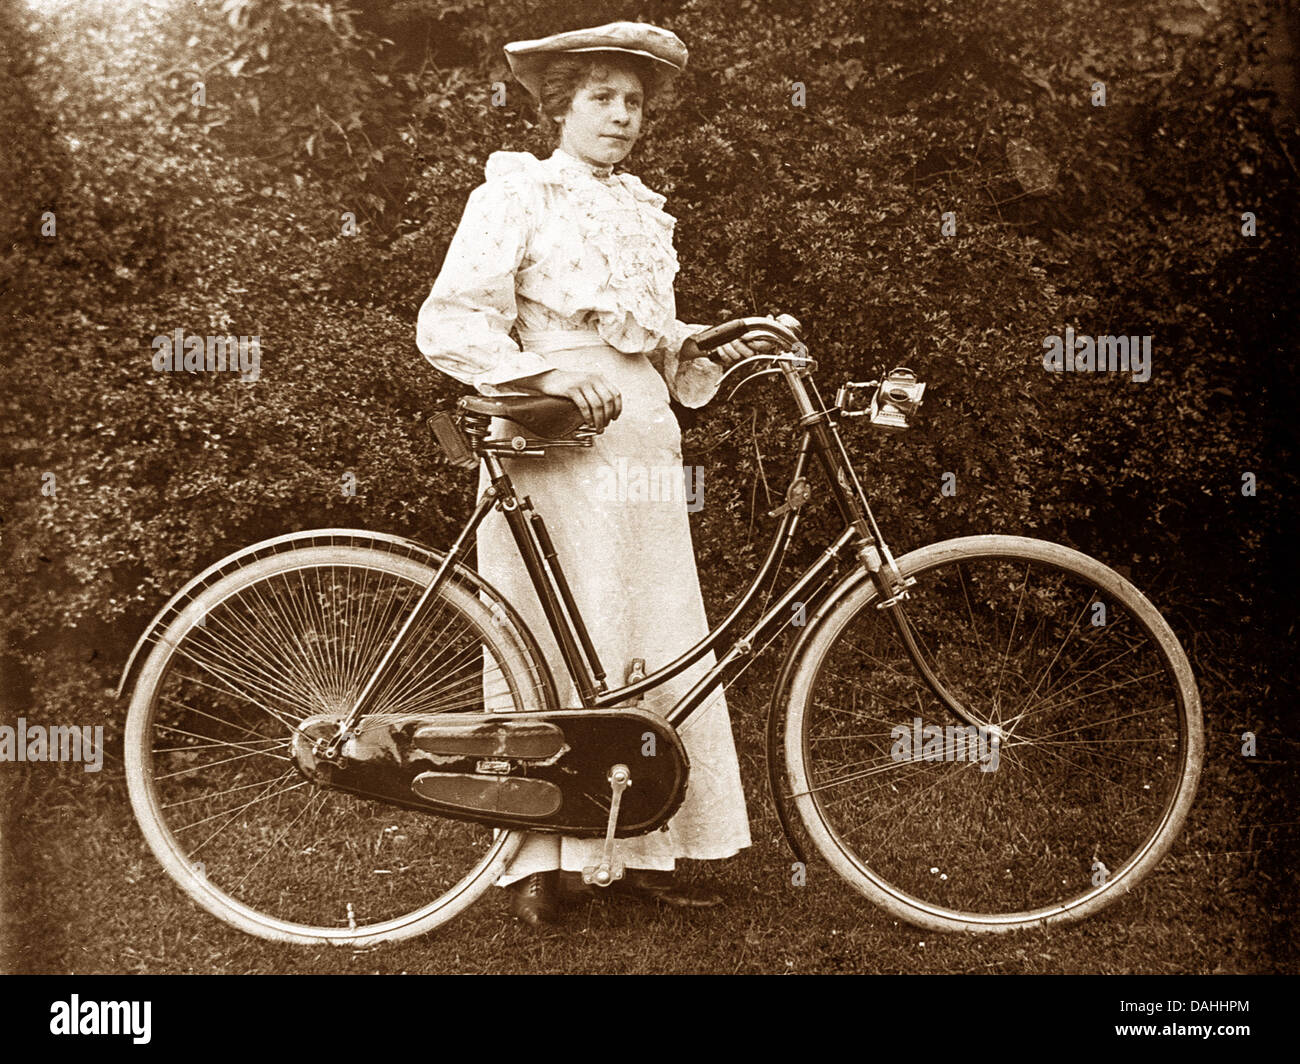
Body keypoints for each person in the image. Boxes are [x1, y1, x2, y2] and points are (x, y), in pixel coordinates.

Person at [416, 21, 771, 926]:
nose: (620, 116)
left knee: (649, 629)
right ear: (561, 104)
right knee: (548, 634)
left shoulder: (642, 210)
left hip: (643, 441)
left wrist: (707, 340)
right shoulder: (517, 192)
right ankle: (539, 860)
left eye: (634, 102)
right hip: (558, 437)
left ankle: (647, 847)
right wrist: (542, 374)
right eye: (601, 97)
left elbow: (646, 338)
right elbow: (454, 319)